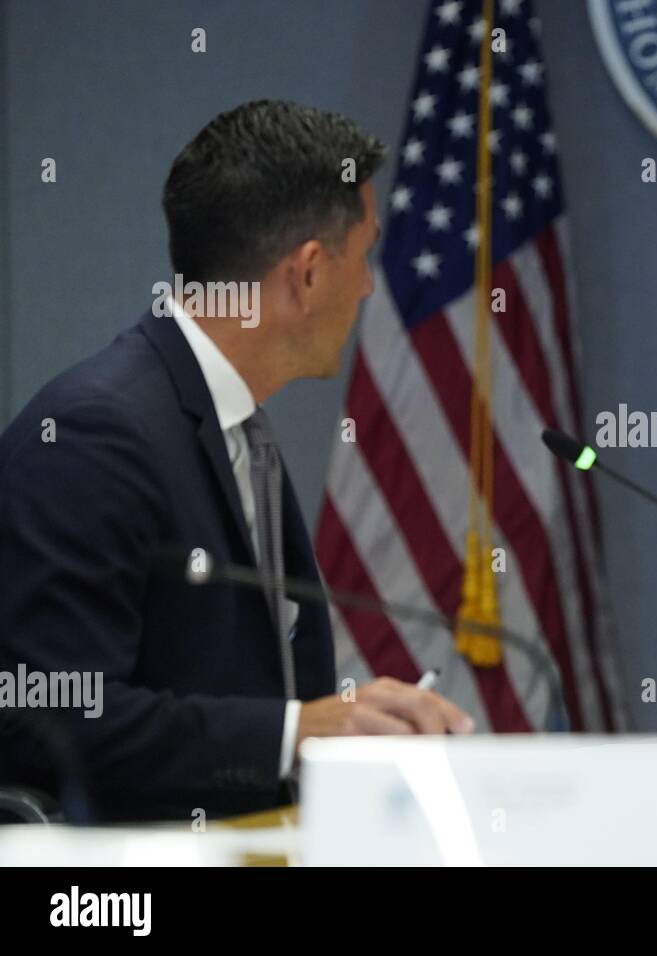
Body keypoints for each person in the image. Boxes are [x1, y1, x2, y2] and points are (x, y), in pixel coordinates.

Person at [0, 100, 472, 821]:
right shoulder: (97, 434)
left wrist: (338, 741)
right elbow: (48, 718)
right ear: (307, 274)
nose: (371, 286)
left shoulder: (234, 423)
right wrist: (297, 732)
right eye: (366, 255)